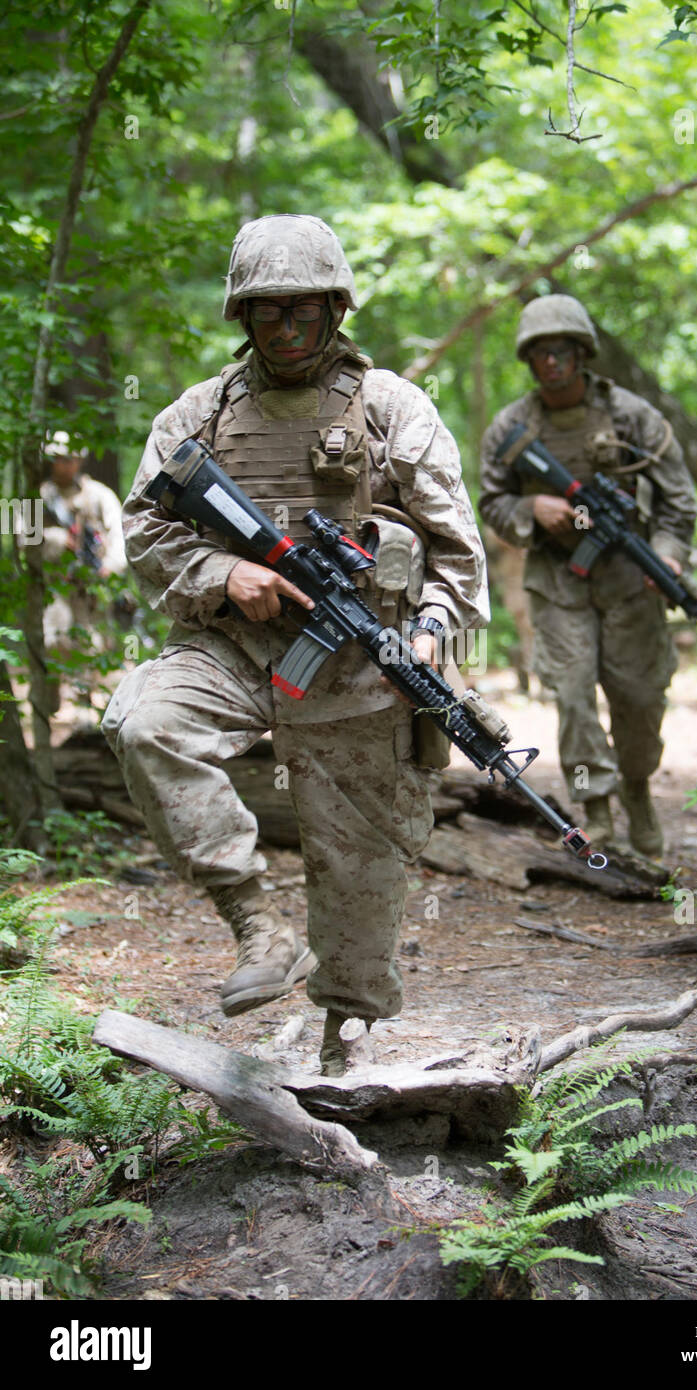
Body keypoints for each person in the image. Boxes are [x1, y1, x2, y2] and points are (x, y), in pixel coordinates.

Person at [101, 215, 488, 1075]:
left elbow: (458, 550)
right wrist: (220, 573)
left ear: (335, 311)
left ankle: (347, 1055)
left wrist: (428, 629)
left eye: (303, 312)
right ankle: (256, 928)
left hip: (360, 662)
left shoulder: (391, 408)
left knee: (359, 874)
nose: (285, 329)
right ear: (242, 316)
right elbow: (144, 529)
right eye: (267, 311)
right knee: (145, 723)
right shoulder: (195, 417)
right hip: (237, 650)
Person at [479, 294, 697, 857]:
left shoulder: (633, 417)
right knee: (573, 696)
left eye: (560, 352)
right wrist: (533, 512)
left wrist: (669, 555)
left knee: (640, 697)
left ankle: (637, 788)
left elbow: (678, 501)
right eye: (539, 354)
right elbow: (492, 501)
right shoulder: (513, 426)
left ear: (581, 354)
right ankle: (596, 807)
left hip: (630, 578)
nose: (550, 363)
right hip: (559, 581)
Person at [39, 433, 127, 714]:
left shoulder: (99, 495)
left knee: (94, 646)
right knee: (51, 641)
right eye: (62, 459)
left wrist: (108, 568)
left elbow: (121, 537)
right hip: (54, 587)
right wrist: (55, 539)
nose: (68, 465)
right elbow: (20, 539)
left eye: (73, 459)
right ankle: (48, 706)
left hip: (92, 586)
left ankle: (85, 711)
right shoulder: (36, 496)